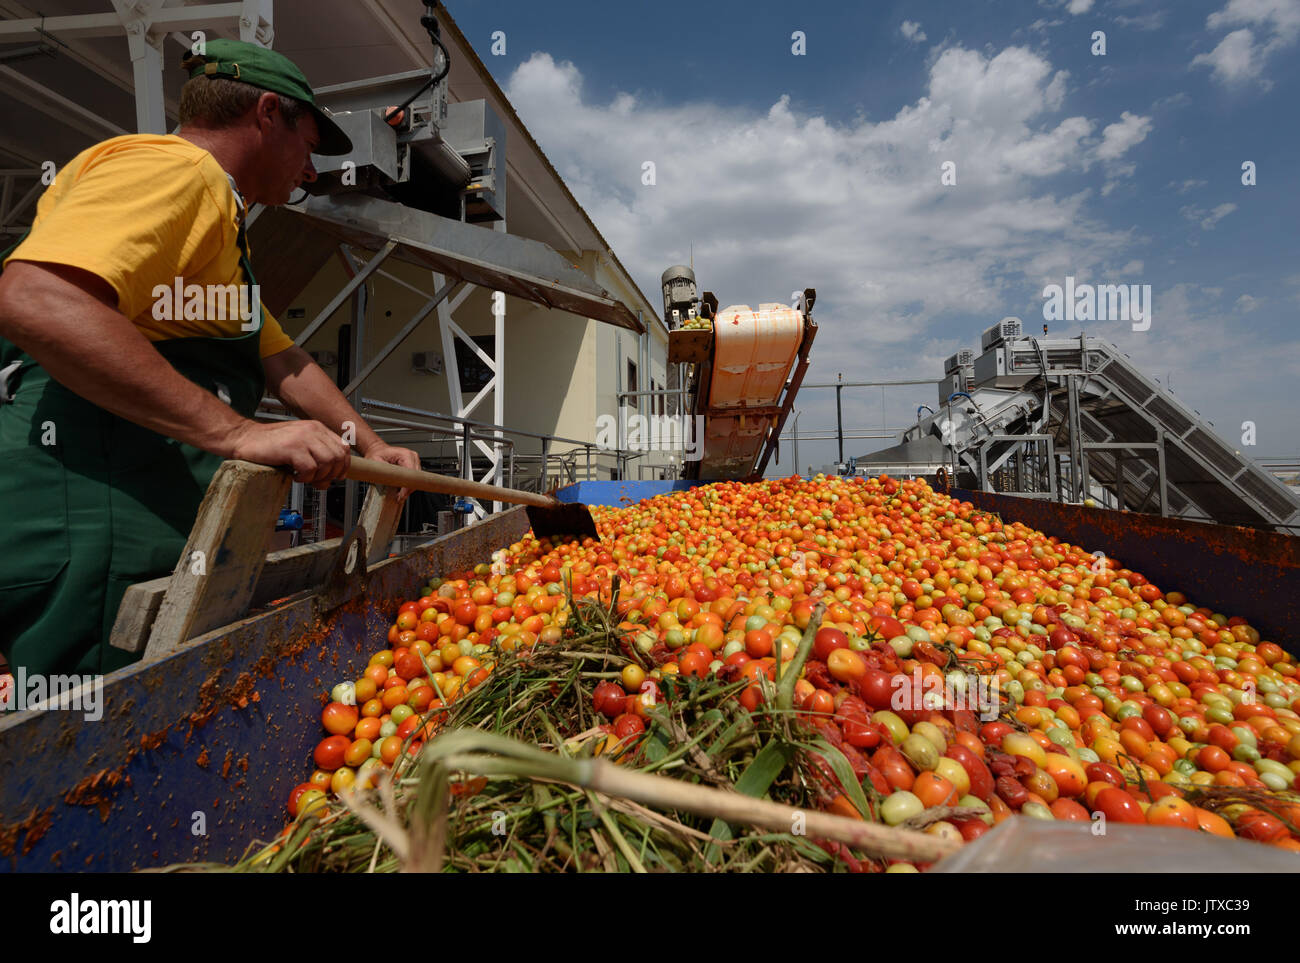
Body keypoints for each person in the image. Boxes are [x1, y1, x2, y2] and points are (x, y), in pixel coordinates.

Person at [0, 39, 419, 678]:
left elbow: (284, 360)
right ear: (268, 113)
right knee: (93, 739)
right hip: (95, 523)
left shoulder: (219, 226)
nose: (310, 172)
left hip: (136, 514)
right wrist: (239, 433)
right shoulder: (178, 172)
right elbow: (37, 298)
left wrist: (370, 446)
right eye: (309, 145)